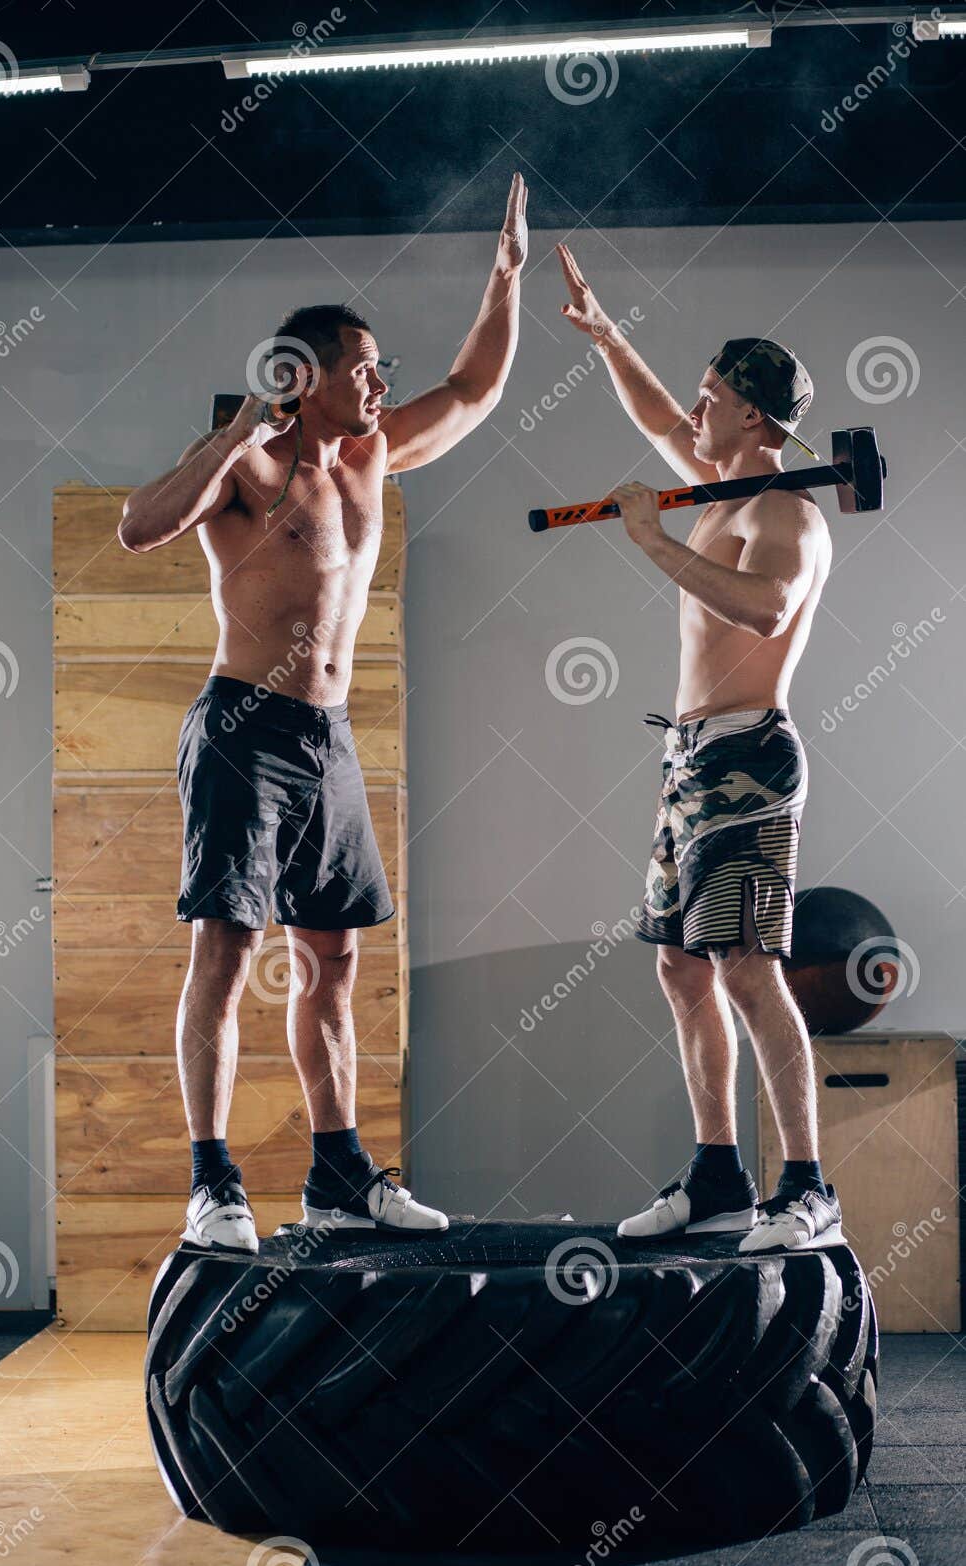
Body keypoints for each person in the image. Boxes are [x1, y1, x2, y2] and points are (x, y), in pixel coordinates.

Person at [118, 175, 528, 1251]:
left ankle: (338, 1173)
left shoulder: (374, 457)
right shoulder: (251, 466)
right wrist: (252, 415)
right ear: (308, 377)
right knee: (224, 948)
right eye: (362, 367)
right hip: (242, 728)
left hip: (326, 740)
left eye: (380, 366)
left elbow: (476, 388)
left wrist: (506, 278)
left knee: (332, 960)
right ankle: (212, 1184)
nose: (381, 381)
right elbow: (137, 527)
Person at [555, 241, 843, 1255]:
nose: (695, 409)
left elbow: (762, 613)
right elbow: (655, 418)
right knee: (682, 968)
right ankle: (717, 1174)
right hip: (687, 760)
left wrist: (647, 540)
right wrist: (604, 336)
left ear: (755, 415)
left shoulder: (784, 512)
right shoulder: (719, 486)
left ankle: (804, 1188)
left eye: (711, 395)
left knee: (745, 968)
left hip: (748, 760)